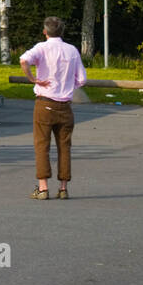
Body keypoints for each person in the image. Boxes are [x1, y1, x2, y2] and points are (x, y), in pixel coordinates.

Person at [20, 16, 87, 200]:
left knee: (42, 145)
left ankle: (43, 188)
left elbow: (24, 61)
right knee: (64, 146)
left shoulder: (41, 48)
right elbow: (82, 79)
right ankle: (63, 187)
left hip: (44, 102)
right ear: (62, 31)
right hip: (65, 105)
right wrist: (69, 85)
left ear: (45, 31)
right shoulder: (72, 50)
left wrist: (33, 79)